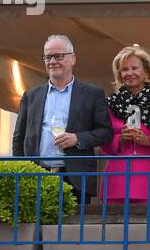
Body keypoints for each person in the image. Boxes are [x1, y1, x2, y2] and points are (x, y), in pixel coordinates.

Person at [11, 34, 112, 202]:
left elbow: (105, 132)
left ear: (73, 59)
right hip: (36, 175)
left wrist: (77, 138)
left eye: (58, 56)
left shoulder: (93, 94)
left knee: (73, 228)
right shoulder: (31, 96)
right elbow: (18, 138)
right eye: (48, 57)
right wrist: (20, 171)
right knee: (37, 227)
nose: (52, 61)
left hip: (76, 178)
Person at [100, 46, 150, 204]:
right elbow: (102, 141)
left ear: (146, 72)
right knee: (114, 228)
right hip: (116, 181)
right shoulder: (110, 103)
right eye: (124, 69)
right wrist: (118, 139)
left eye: (134, 68)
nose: (129, 73)